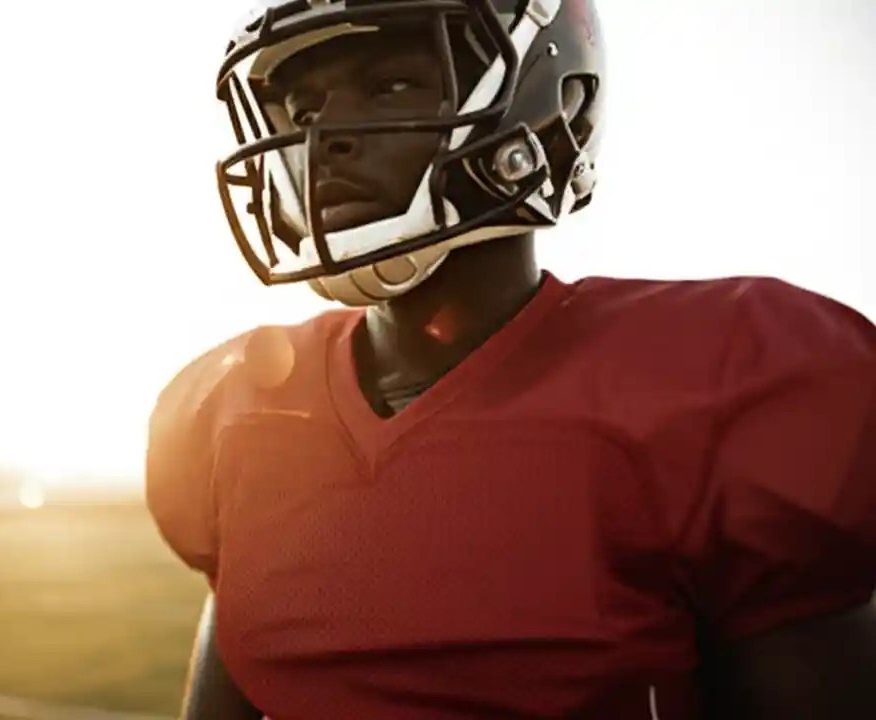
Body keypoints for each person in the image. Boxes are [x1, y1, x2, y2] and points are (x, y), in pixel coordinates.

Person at [144, 1, 876, 717]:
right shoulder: (236, 410)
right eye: (301, 110)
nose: (323, 134)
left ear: (546, 102)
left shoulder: (719, 379)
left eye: (392, 84)